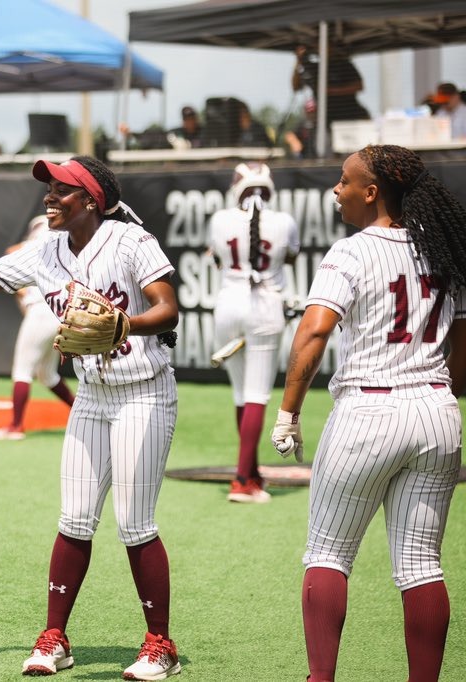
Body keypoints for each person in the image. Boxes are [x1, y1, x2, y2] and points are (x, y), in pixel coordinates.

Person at [0, 156, 182, 680]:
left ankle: (160, 643)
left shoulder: (130, 242)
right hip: (93, 397)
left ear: (91, 201)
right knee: (74, 519)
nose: (49, 197)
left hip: (143, 391)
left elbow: (169, 308)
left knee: (135, 522)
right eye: (48, 189)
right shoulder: (47, 249)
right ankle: (55, 637)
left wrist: (125, 325)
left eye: (61, 190)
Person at [270, 144, 466, 682]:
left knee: (328, 555)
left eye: (345, 180)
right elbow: (464, 348)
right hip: (435, 410)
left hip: (368, 412)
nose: (338, 189)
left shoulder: (351, 252)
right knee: (423, 565)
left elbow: (313, 332)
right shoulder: (446, 250)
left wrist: (288, 411)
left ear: (372, 192)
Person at [206, 162, 300, 503]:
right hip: (265, 308)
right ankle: (243, 479)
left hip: (227, 307)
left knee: (240, 395)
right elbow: (289, 257)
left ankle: (252, 471)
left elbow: (217, 258)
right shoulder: (284, 221)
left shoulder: (219, 219)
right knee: (257, 394)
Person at [0, 214, 75, 440]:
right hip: (60, 311)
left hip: (41, 310)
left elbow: (11, 252)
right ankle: (80, 413)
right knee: (46, 374)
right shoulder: (65, 243)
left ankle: (16, 426)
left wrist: (18, 290)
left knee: (22, 370)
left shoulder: (41, 241)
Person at [292, 42, 370, 127]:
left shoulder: (343, 64)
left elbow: (359, 86)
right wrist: (299, 61)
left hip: (351, 116)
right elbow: (296, 86)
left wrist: (330, 91)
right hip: (327, 121)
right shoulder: (314, 68)